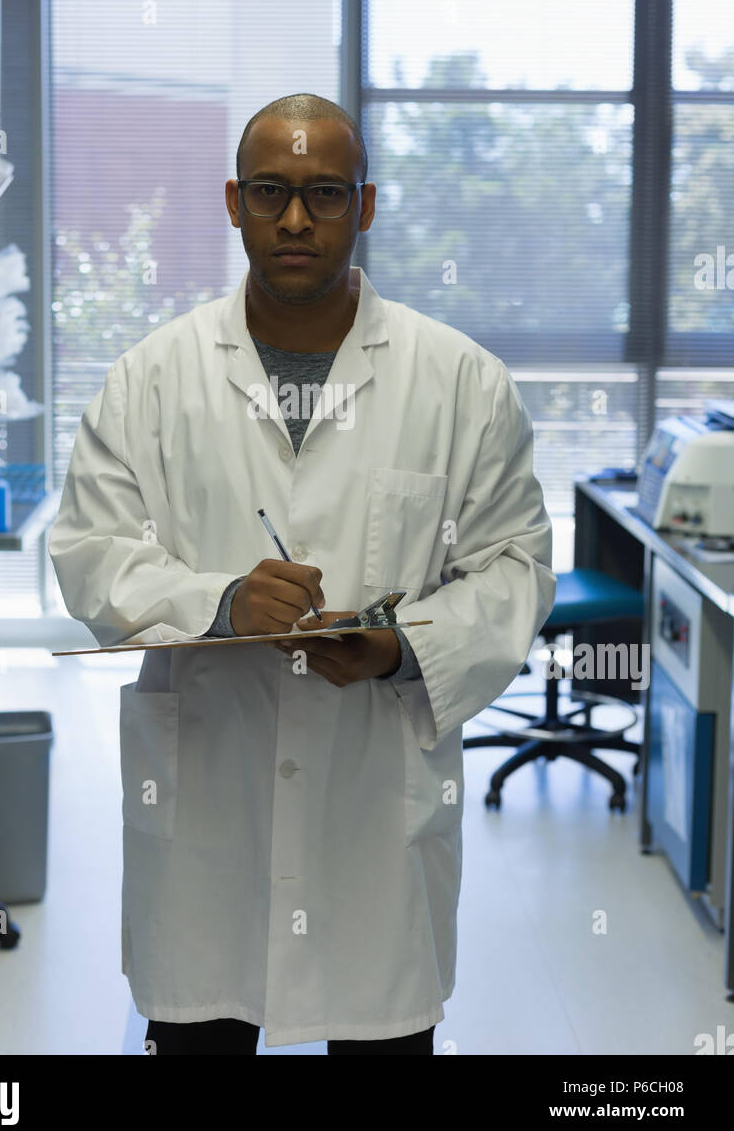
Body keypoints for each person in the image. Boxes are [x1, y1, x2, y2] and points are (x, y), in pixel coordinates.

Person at [49, 93, 556, 1055]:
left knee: (381, 1036)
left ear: (364, 207)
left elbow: (514, 568)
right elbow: (89, 551)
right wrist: (221, 603)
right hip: (208, 802)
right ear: (232, 202)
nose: (295, 220)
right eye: (272, 193)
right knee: (198, 1031)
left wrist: (406, 646)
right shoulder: (152, 378)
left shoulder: (461, 382)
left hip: (374, 809)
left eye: (324, 193)